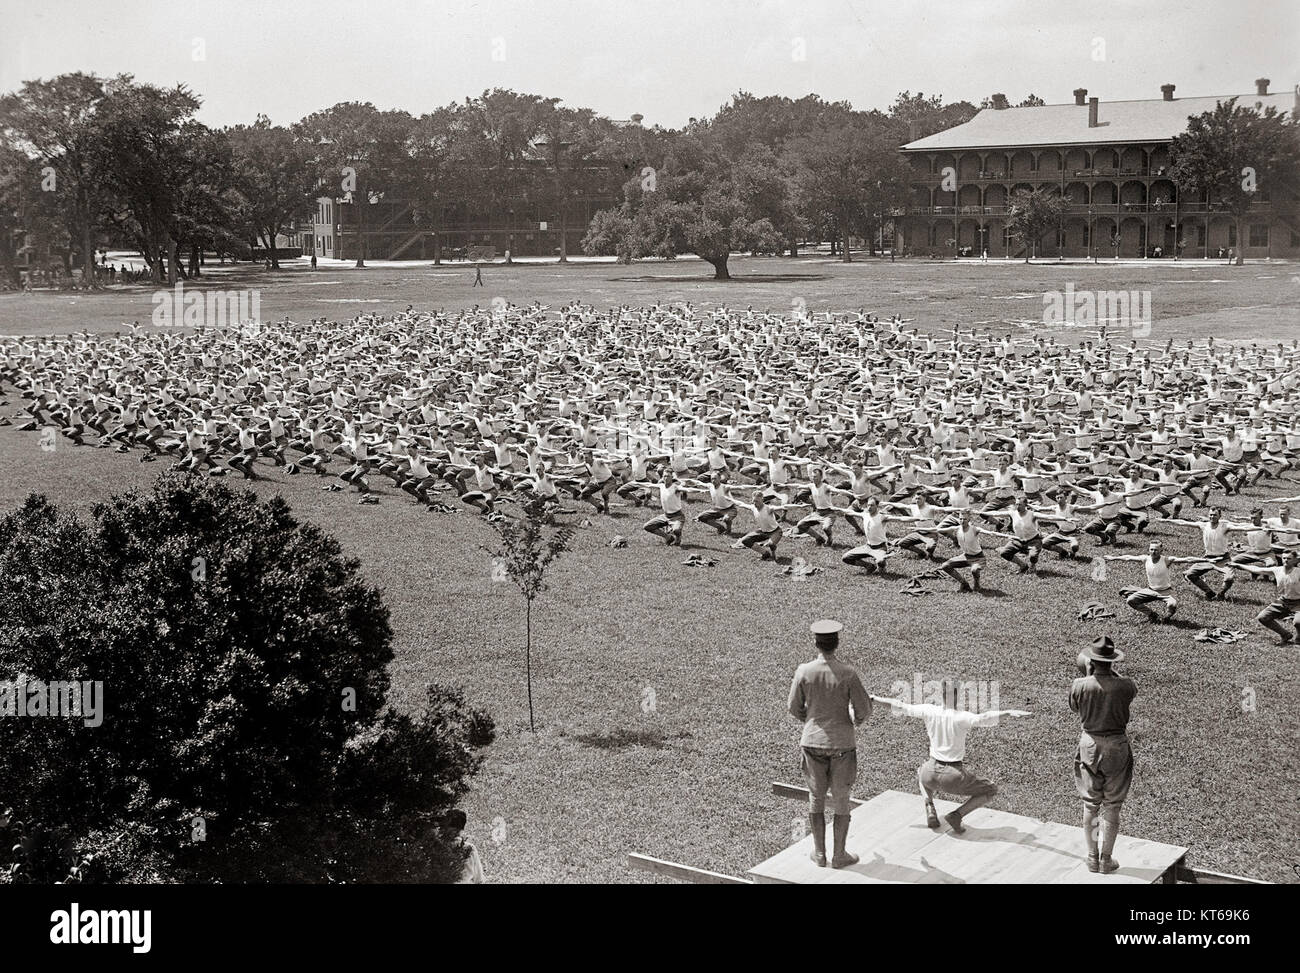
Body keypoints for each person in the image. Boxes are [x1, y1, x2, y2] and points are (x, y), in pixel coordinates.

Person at [872, 681, 1030, 832]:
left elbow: (899, 706)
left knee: (922, 771)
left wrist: (874, 699)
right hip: (953, 776)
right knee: (990, 790)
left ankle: (929, 806)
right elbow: (984, 718)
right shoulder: (961, 717)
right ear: (958, 696)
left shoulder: (929, 710)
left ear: (941, 694)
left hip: (930, 773)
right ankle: (956, 815)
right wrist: (1007, 712)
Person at [787, 620, 871, 869]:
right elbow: (863, 708)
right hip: (842, 743)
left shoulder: (804, 670)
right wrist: (856, 720)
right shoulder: (848, 673)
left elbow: (793, 707)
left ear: (816, 643)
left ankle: (820, 854)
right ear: (837, 643)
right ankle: (840, 855)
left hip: (812, 742)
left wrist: (811, 720)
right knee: (842, 798)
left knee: (816, 797)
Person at [1069, 636, 1137, 875]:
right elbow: (1124, 689)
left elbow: (1075, 707)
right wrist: (1107, 671)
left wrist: (1090, 673)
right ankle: (1106, 859)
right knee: (1112, 806)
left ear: (1092, 660)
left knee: (1091, 805)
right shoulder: (1127, 685)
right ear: (1112, 661)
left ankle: (1092, 857)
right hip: (1117, 745)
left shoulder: (1080, 684)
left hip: (1089, 745)